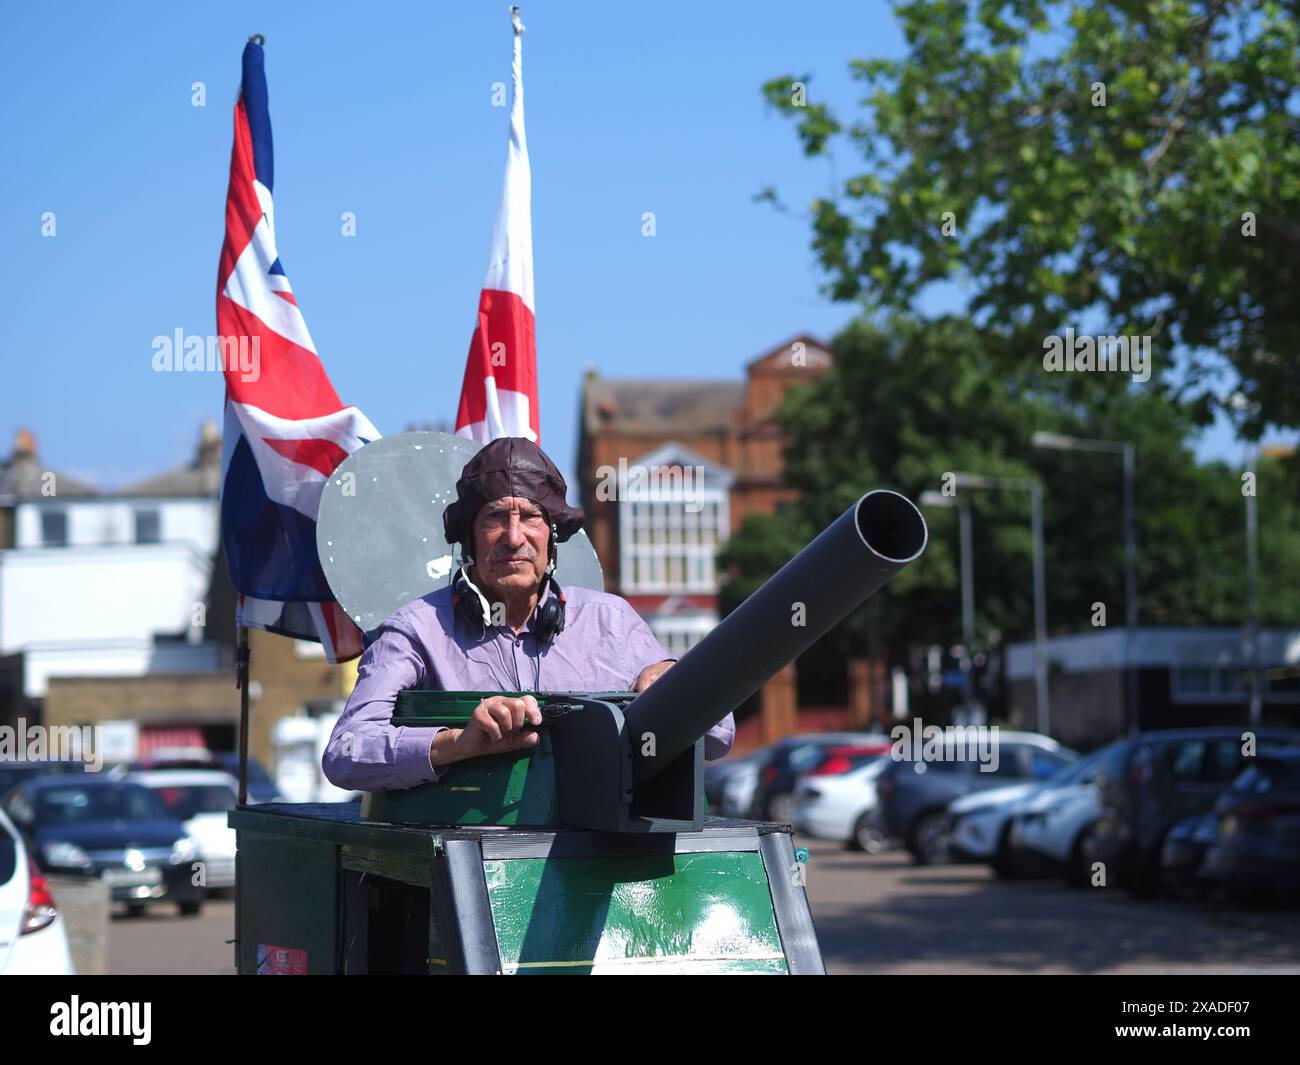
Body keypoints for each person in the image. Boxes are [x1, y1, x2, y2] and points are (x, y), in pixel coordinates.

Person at [321, 437, 735, 791]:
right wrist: (456, 743)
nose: (514, 536)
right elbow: (345, 752)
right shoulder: (416, 629)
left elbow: (718, 736)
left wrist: (670, 677)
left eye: (531, 517)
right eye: (495, 517)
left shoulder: (612, 620)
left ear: (553, 540)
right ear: (469, 540)